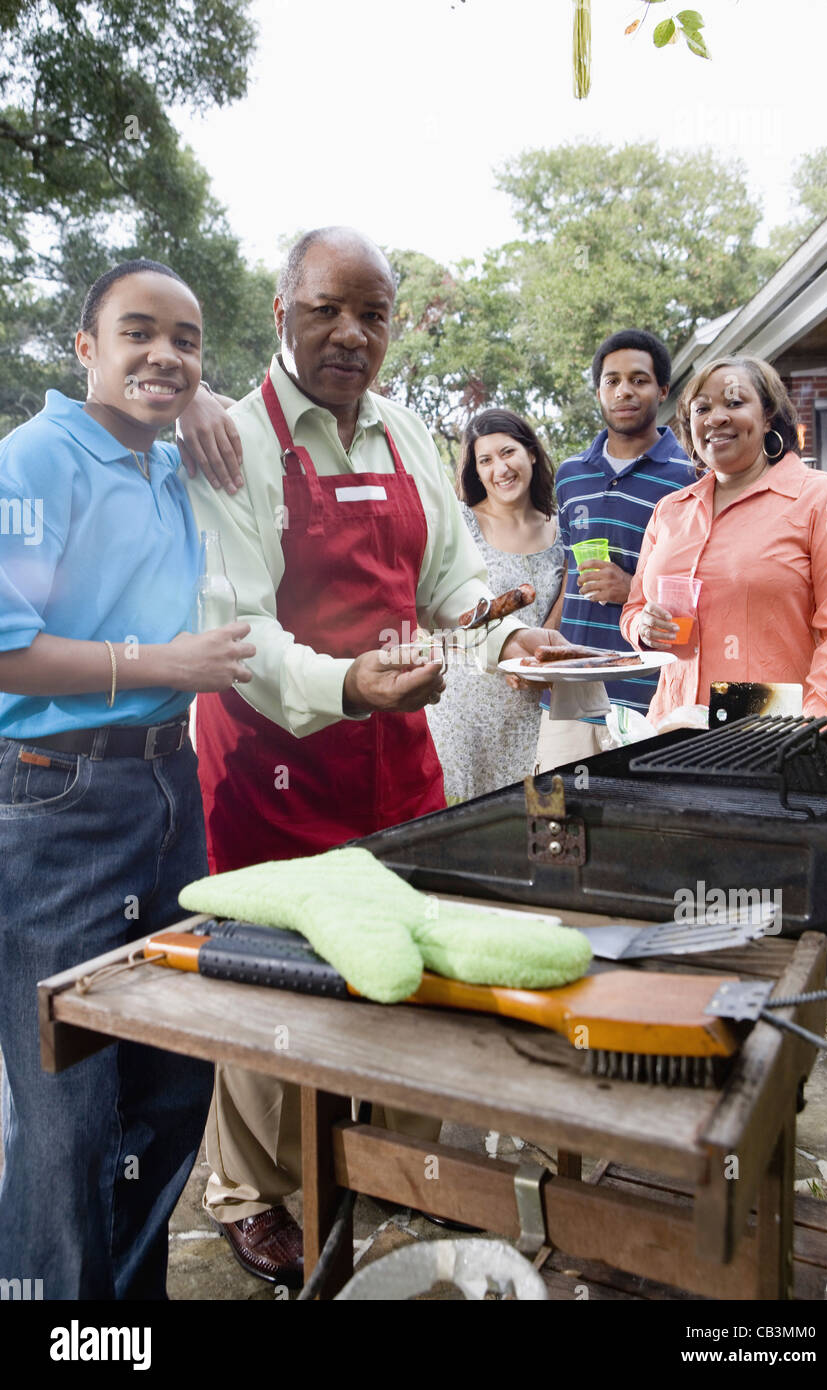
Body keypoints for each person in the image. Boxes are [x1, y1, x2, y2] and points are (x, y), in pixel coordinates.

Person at [176, 226, 555, 1284]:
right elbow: (238, 628)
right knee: (273, 973)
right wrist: (344, 685)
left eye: (372, 314)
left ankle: (382, 1170)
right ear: (281, 311)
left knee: (396, 956)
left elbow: (449, 575)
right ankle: (249, 1192)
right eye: (326, 309)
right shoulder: (233, 442)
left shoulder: (400, 432)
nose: (350, 333)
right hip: (271, 756)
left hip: (397, 753)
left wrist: (501, 624)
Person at [0, 260, 255, 1299]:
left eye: (186, 340)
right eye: (138, 332)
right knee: (68, 1118)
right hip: (55, 798)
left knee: (168, 1086)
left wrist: (211, 398)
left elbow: (238, 413)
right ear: (84, 349)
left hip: (166, 789)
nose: (164, 354)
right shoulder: (36, 459)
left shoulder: (165, 462)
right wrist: (163, 665)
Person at [621, 355, 827, 721]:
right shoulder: (670, 511)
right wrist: (643, 626)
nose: (716, 417)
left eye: (734, 403)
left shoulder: (826, 499)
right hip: (673, 728)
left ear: (768, 414)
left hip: (774, 732)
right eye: (702, 407)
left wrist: (813, 727)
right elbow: (634, 608)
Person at [535, 329, 694, 771]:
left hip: (648, 695)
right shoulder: (570, 475)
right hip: (571, 690)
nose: (624, 390)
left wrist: (631, 588)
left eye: (639, 380)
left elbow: (698, 583)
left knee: (638, 826)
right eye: (612, 380)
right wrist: (542, 649)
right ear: (599, 391)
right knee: (560, 813)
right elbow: (570, 576)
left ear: (662, 390)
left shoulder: (690, 476)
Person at [426, 409, 564, 800]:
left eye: (507, 452)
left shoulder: (561, 525)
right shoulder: (461, 523)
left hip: (531, 705)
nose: (499, 468)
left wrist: (538, 661)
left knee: (527, 820)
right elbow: (438, 611)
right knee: (457, 819)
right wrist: (502, 654)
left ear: (532, 454)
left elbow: (558, 610)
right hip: (464, 706)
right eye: (485, 460)